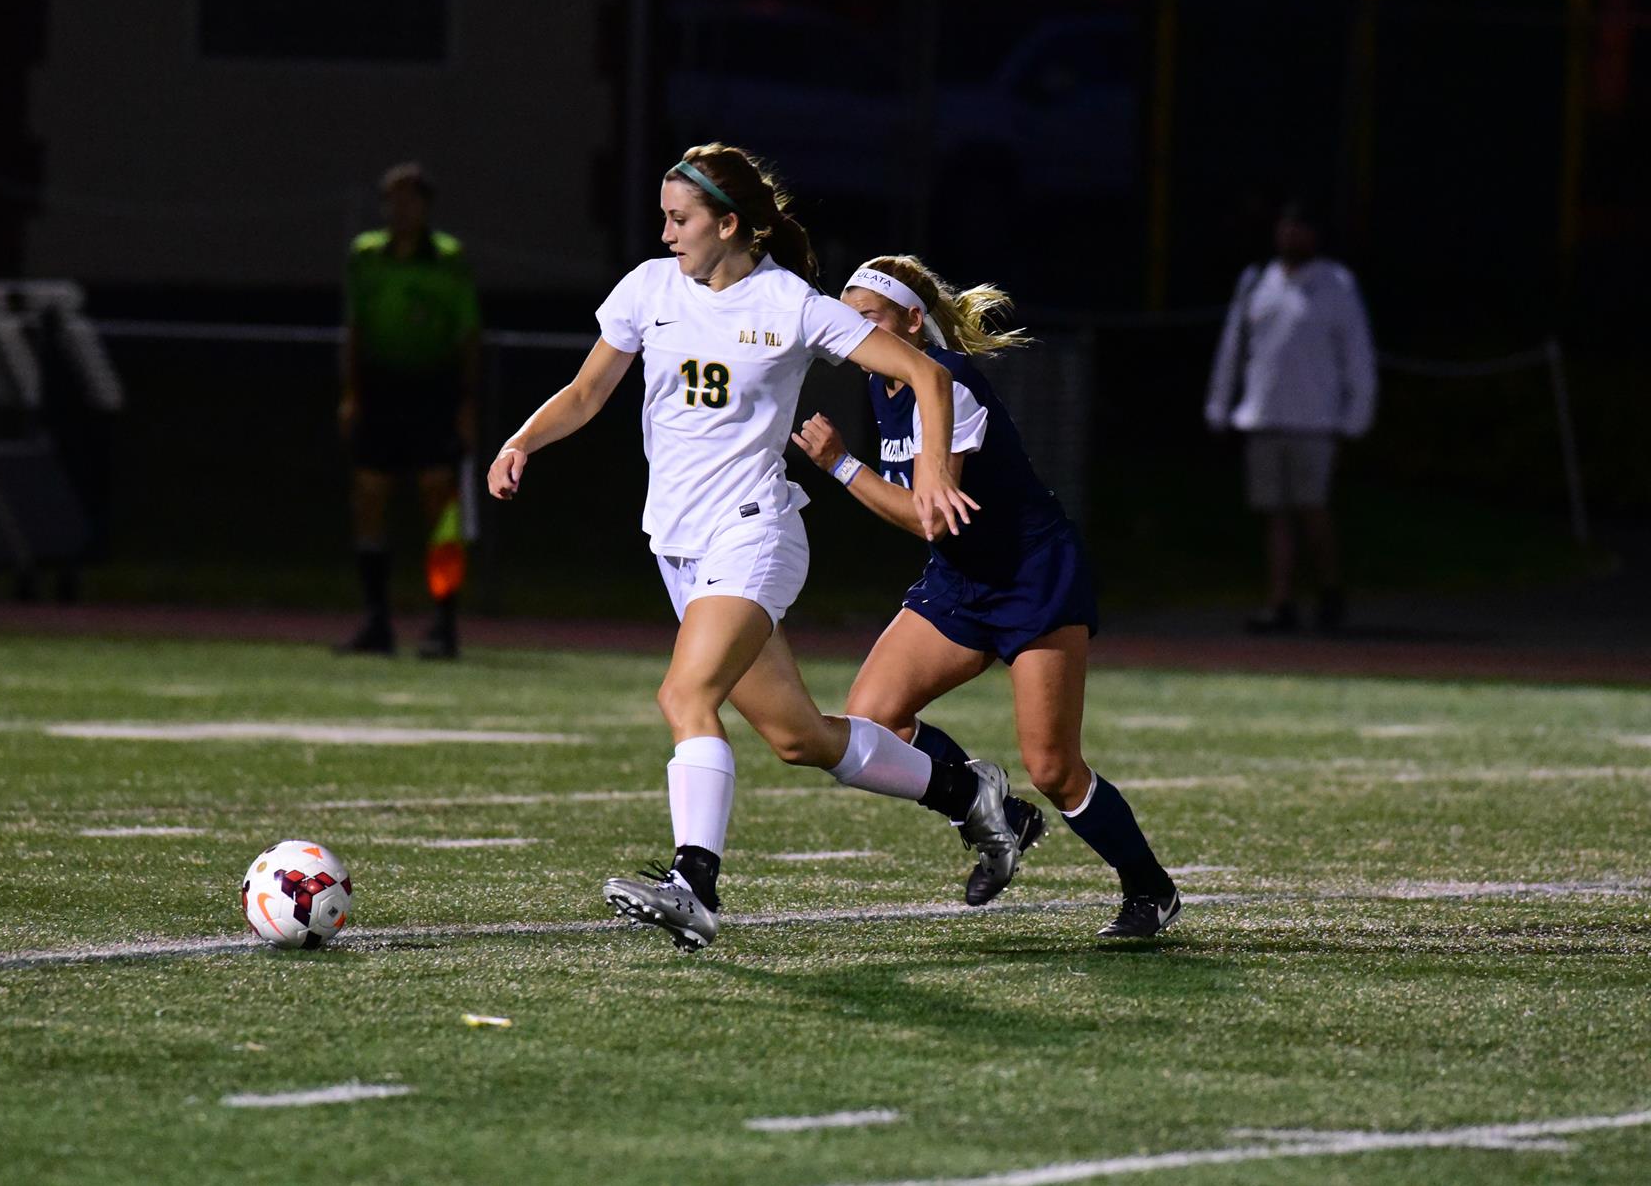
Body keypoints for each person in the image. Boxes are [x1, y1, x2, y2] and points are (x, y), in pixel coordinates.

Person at [487, 144, 1024, 953]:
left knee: (683, 697)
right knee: (799, 736)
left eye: (681, 219)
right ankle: (973, 796)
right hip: (678, 548)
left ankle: (693, 883)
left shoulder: (792, 303)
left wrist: (938, 474)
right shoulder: (648, 288)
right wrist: (523, 440)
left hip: (752, 532)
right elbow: (589, 390)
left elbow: (930, 377)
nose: (666, 232)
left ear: (730, 224)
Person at [791, 255, 1182, 939]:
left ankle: (1150, 888)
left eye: (870, 320)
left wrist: (839, 465)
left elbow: (926, 515)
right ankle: (989, 807)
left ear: (914, 321)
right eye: (848, 323)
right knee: (873, 719)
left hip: (1030, 573)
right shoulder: (885, 385)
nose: (858, 336)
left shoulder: (950, 384)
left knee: (1055, 766)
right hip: (961, 578)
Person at [1203, 200, 1377, 633]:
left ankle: (1328, 590)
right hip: (1264, 416)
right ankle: (1280, 602)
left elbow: (1357, 354)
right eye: (1285, 227)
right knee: (1274, 514)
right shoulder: (1257, 281)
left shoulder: (1336, 284)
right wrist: (1220, 403)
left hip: (1315, 420)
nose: (1290, 236)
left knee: (1312, 510)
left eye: (1299, 228)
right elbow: (1234, 347)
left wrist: (1357, 412)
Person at [337, 162, 481, 660]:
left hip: (432, 392)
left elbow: (467, 335)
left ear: (425, 206)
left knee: (438, 504)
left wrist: (466, 401)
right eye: (392, 200)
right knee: (370, 497)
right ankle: (377, 620)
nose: (400, 210)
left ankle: (443, 623)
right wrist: (351, 393)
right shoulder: (366, 255)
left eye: (410, 200)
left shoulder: (447, 258)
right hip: (380, 392)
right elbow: (354, 328)